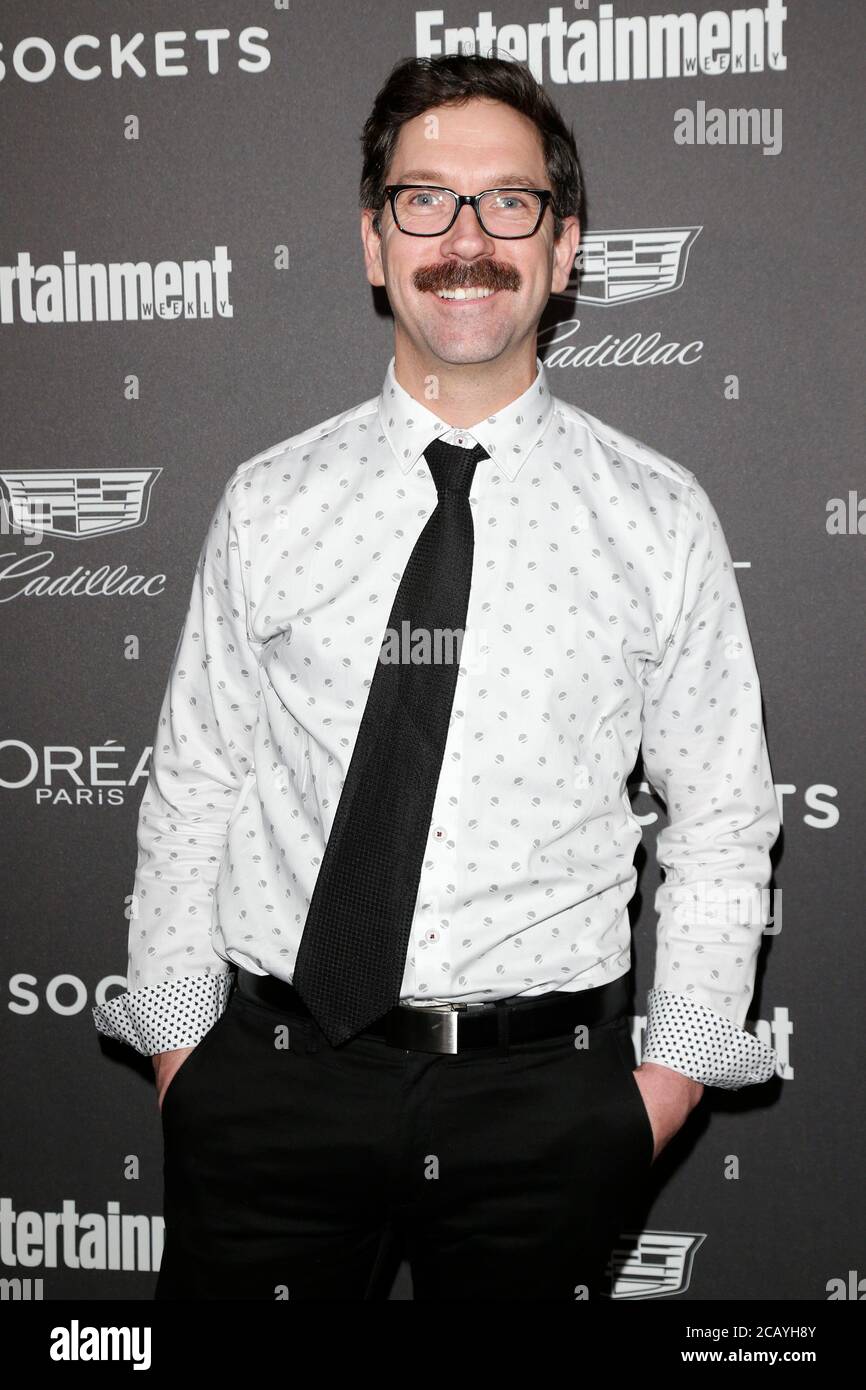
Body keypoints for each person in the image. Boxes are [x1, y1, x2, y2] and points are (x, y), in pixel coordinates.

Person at [93, 52, 781, 1302]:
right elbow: (193, 788)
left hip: (545, 1106)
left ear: (563, 248)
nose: (466, 237)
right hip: (272, 1077)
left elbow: (724, 825)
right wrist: (183, 1055)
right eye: (425, 200)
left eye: (507, 203)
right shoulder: (270, 501)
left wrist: (663, 1088)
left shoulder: (656, 517)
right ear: (373, 242)